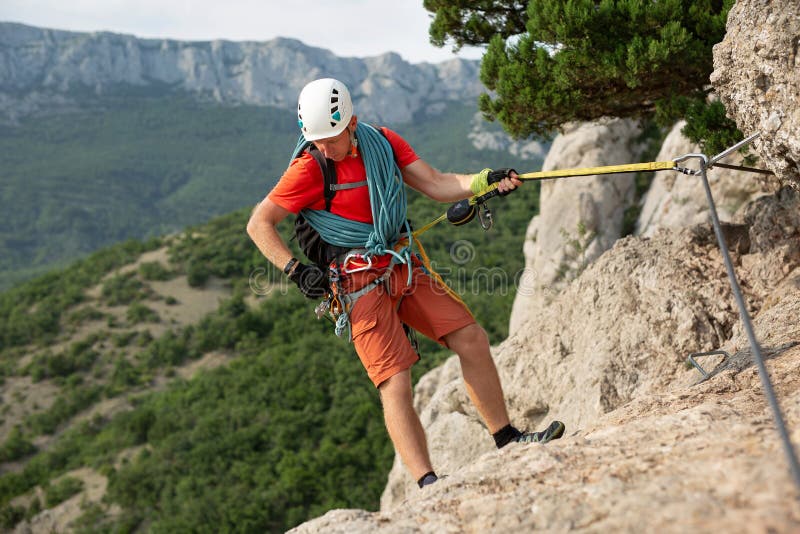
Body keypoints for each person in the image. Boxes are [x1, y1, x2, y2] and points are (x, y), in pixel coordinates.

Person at [247, 78, 564, 489]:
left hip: (400, 263)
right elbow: (259, 223)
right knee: (395, 379)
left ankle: (508, 440)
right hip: (355, 280)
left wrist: (485, 180)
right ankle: (428, 483)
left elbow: (435, 183)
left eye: (331, 138)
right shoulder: (309, 167)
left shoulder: (383, 143)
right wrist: (295, 269)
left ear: (352, 123)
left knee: (471, 337)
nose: (323, 147)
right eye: (316, 139)